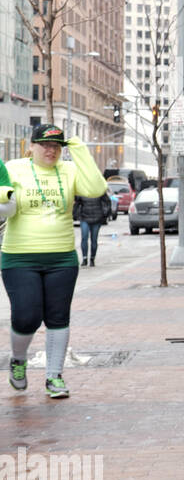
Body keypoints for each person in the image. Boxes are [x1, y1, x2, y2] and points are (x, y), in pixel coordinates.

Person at [0, 124, 108, 399]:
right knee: (27, 315)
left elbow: (96, 188)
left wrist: (79, 149)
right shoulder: (14, 168)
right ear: (31, 146)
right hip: (19, 257)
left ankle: (54, 376)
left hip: (62, 257)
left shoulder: (69, 170)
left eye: (57, 146)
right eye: (45, 145)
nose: (51, 150)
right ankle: (18, 359)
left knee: (58, 317)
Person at [72, 190, 112, 267]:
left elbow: (107, 201)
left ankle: (92, 259)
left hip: (97, 218)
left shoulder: (98, 189)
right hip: (84, 217)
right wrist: (75, 214)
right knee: (84, 237)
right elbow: (76, 202)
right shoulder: (82, 190)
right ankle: (84, 258)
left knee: (94, 239)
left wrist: (105, 213)